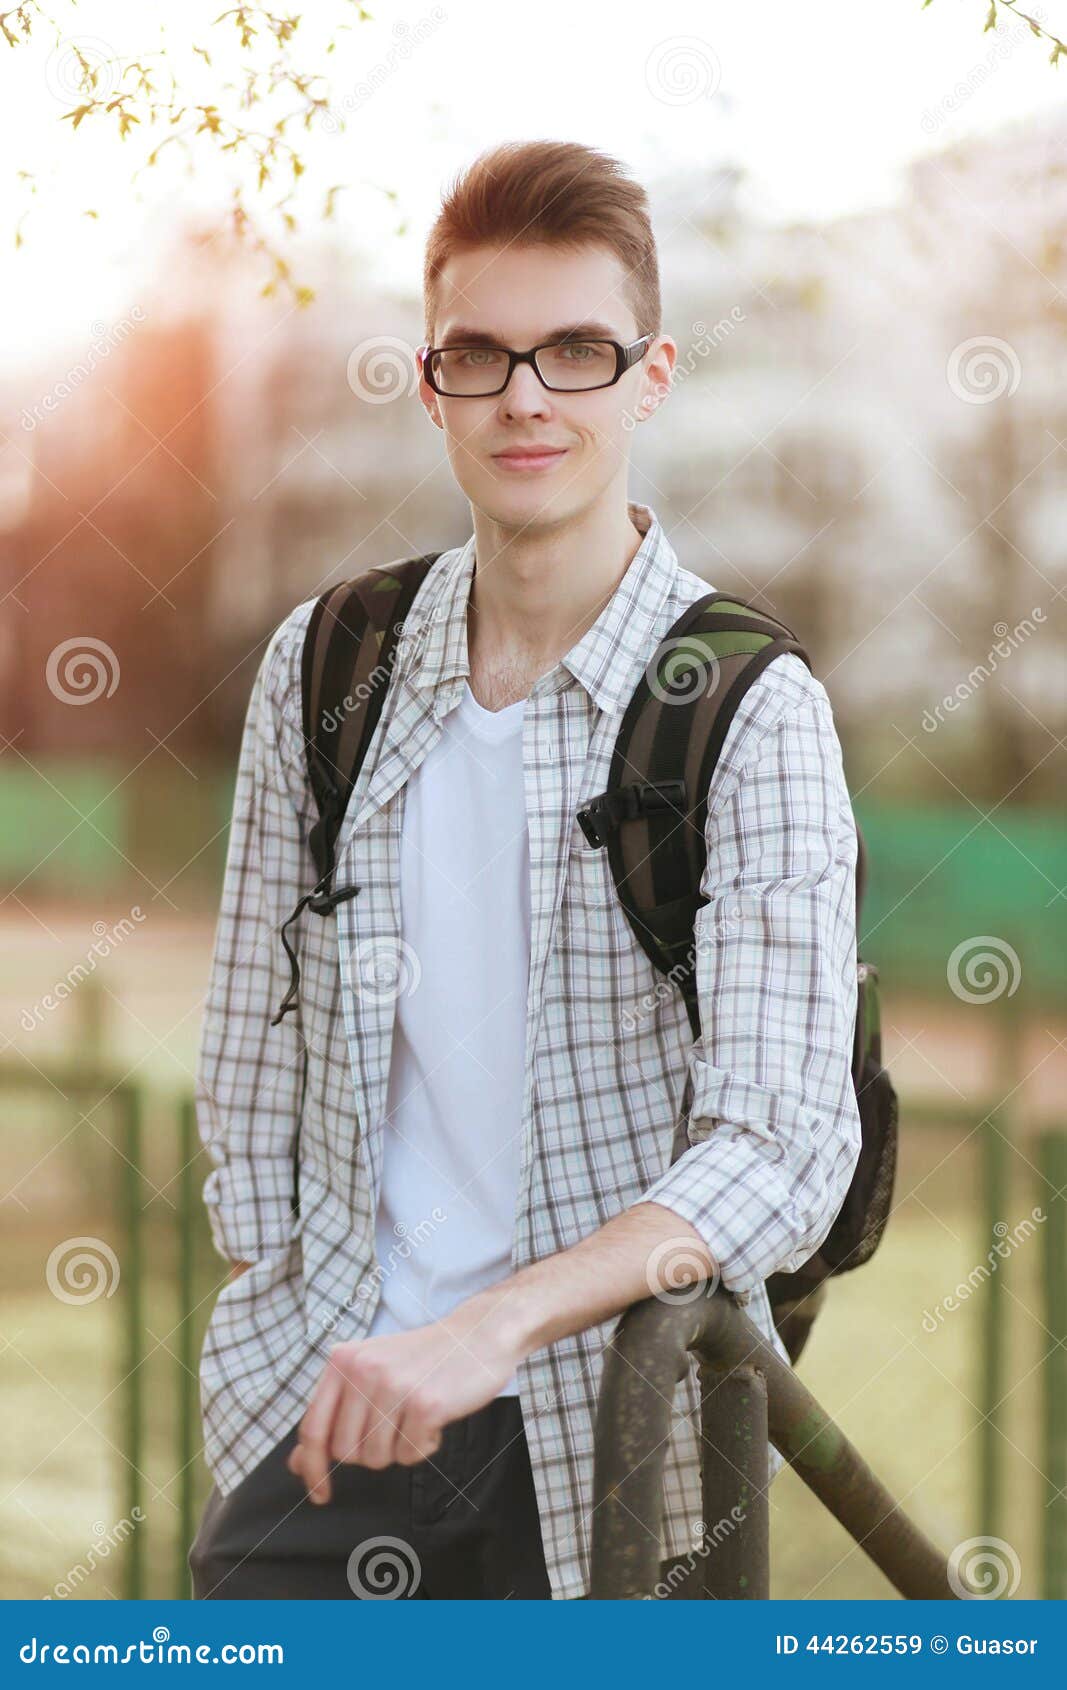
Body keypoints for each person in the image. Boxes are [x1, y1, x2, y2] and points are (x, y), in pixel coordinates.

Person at [189, 138, 862, 1601]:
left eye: (576, 350)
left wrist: (492, 1323)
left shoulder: (747, 705)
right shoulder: (329, 667)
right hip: (327, 1422)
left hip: (627, 1459)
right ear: (430, 385)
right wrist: (275, 1333)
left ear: (653, 373)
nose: (527, 396)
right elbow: (248, 1045)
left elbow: (783, 1149)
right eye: (480, 357)